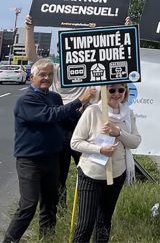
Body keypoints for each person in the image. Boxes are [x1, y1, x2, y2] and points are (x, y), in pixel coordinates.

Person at [3, 59, 96, 243]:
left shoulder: (54, 97)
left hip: (52, 158)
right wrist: (80, 100)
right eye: (42, 75)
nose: (46, 78)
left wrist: (85, 110)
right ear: (32, 77)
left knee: (50, 203)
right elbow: (50, 115)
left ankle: (47, 239)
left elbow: (67, 118)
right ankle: (10, 240)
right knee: (28, 204)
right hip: (30, 161)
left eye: (49, 75)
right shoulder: (26, 100)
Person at [23, 15, 104, 205]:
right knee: (57, 175)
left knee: (90, 169)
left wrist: (126, 28)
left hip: (82, 125)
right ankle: (60, 210)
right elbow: (31, 57)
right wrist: (29, 29)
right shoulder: (54, 70)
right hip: (58, 126)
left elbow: (100, 95)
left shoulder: (92, 71)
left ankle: (89, 207)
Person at [70, 83, 141, 242]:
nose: (117, 94)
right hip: (91, 174)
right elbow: (75, 143)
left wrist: (118, 132)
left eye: (121, 90)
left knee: (104, 222)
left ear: (125, 92)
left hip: (116, 174)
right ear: (104, 91)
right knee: (86, 224)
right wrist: (99, 150)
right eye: (112, 90)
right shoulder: (93, 111)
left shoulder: (128, 114)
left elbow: (135, 142)